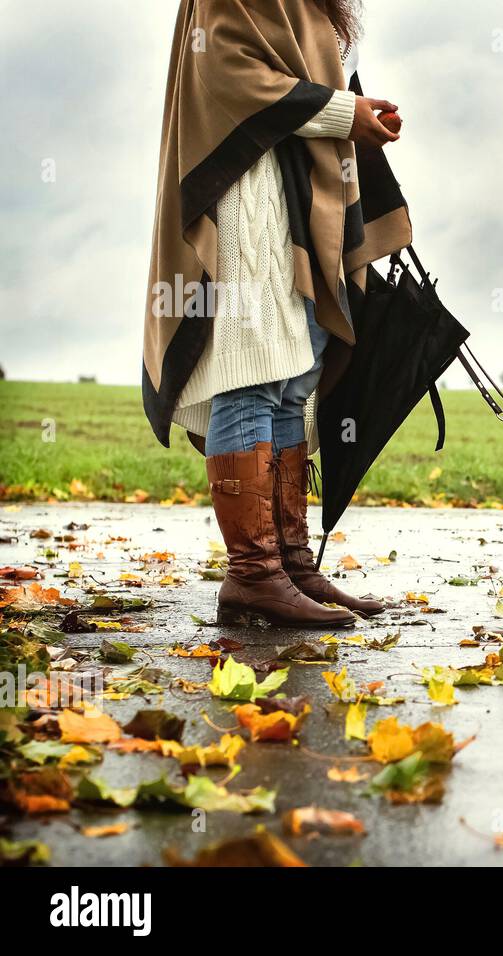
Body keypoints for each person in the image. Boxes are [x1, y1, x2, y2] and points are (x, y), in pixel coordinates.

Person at [142, 0, 412, 626]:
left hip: (289, 192)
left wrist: (354, 113)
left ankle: (289, 564)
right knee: (251, 371)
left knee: (293, 381)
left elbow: (291, 73)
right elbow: (230, 72)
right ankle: (252, 573)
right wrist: (346, 113)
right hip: (246, 189)